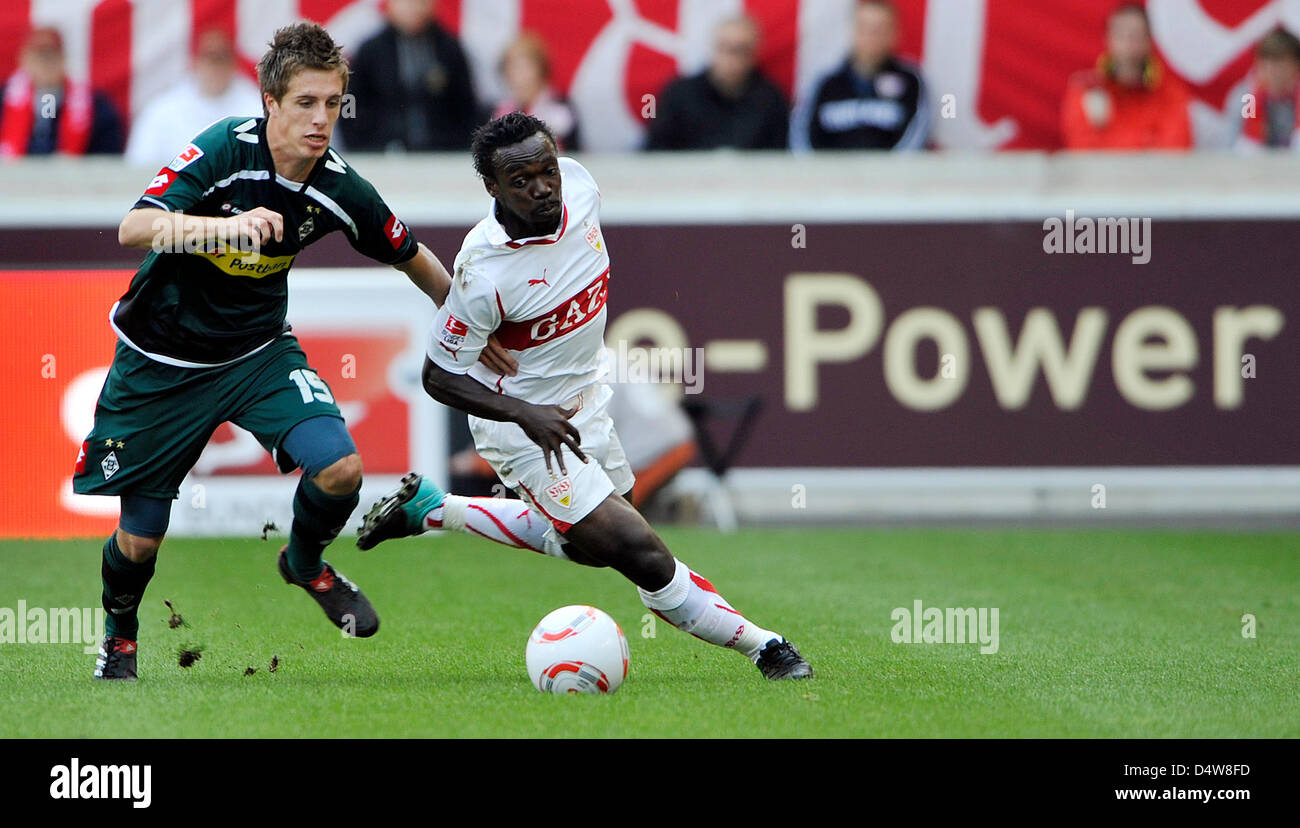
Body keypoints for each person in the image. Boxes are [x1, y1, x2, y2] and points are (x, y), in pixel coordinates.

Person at [77, 22, 512, 681]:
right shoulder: (225, 149)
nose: (321, 119)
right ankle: (121, 637)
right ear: (270, 102)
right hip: (160, 363)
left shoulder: (337, 185)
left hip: (257, 356)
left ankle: (305, 563)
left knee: (339, 470)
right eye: (305, 103)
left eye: (332, 103)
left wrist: (470, 330)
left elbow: (412, 257)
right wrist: (221, 227)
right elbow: (134, 226)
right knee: (138, 540)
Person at [357, 112, 812, 681]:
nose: (541, 187)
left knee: (592, 547)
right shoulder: (483, 273)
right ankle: (767, 648)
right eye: (520, 181)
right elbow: (438, 377)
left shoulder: (580, 184)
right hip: (523, 430)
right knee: (638, 550)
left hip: (587, 401)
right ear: (492, 188)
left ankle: (434, 509)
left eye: (545, 170)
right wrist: (526, 414)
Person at [339, 0, 480, 151]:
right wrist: (358, 143)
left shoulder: (449, 49)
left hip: (442, 155)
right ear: (390, 5)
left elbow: (468, 106)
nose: (414, 8)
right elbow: (349, 100)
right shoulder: (371, 50)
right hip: (380, 155)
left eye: (421, 2)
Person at [790, 0, 929, 151]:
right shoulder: (825, 83)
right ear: (853, 30)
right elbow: (802, 137)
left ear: (895, 33)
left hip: (891, 173)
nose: (871, 37)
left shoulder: (911, 82)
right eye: (865, 28)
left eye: (879, 29)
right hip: (828, 173)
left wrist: (888, 172)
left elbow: (915, 138)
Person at [643, 15, 789, 151]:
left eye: (740, 50)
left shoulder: (770, 100)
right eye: (724, 48)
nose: (731, 59)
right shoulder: (680, 94)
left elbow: (778, 159)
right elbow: (655, 151)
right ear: (712, 48)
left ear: (754, 53)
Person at [1061, 3, 1192, 151]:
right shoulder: (1086, 89)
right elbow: (1083, 151)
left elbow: (1176, 150)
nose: (1128, 41)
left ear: (1149, 40)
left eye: (1136, 34)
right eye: (1121, 34)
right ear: (1107, 38)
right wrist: (1145, 144)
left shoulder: (1171, 92)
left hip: (1156, 174)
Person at [126, 29, 262, 167]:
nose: (214, 68)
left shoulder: (256, 109)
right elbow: (138, 168)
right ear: (194, 62)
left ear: (233, 65)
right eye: (208, 59)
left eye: (220, 59)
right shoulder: (162, 111)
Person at [0, 26, 124, 157]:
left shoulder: (96, 106)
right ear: (23, 59)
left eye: (51, 56)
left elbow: (108, 156)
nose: (45, 64)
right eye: (39, 57)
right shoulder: (3, 99)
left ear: (63, 59)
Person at [492, 32, 579, 151]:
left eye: (525, 67)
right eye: (513, 67)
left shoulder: (560, 108)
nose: (519, 75)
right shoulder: (498, 113)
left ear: (541, 69)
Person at [1235, 27, 1300, 151]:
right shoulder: (1246, 97)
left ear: (1296, 67)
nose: (1273, 75)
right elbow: (1228, 150)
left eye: (1281, 67)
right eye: (1266, 67)